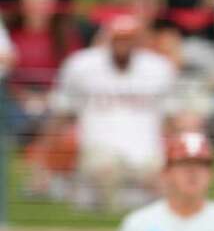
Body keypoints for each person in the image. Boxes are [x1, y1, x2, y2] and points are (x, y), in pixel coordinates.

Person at [51, 15, 177, 209]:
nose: (123, 45)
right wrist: (45, 160)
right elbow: (61, 112)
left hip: (146, 154)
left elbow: (171, 119)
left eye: (129, 39)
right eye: (119, 39)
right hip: (99, 151)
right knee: (105, 171)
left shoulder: (158, 68)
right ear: (108, 39)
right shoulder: (82, 65)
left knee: (160, 179)